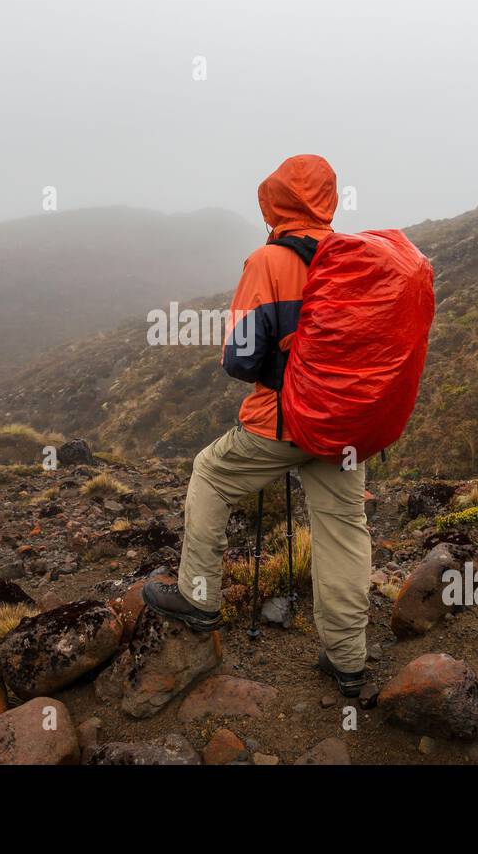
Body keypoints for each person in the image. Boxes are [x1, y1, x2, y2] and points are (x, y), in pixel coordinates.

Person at [142, 154, 372, 697]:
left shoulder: (268, 261)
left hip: (284, 421)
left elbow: (241, 359)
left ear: (276, 200)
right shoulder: (351, 258)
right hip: (345, 427)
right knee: (341, 532)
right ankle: (348, 662)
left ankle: (199, 597)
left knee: (211, 475)